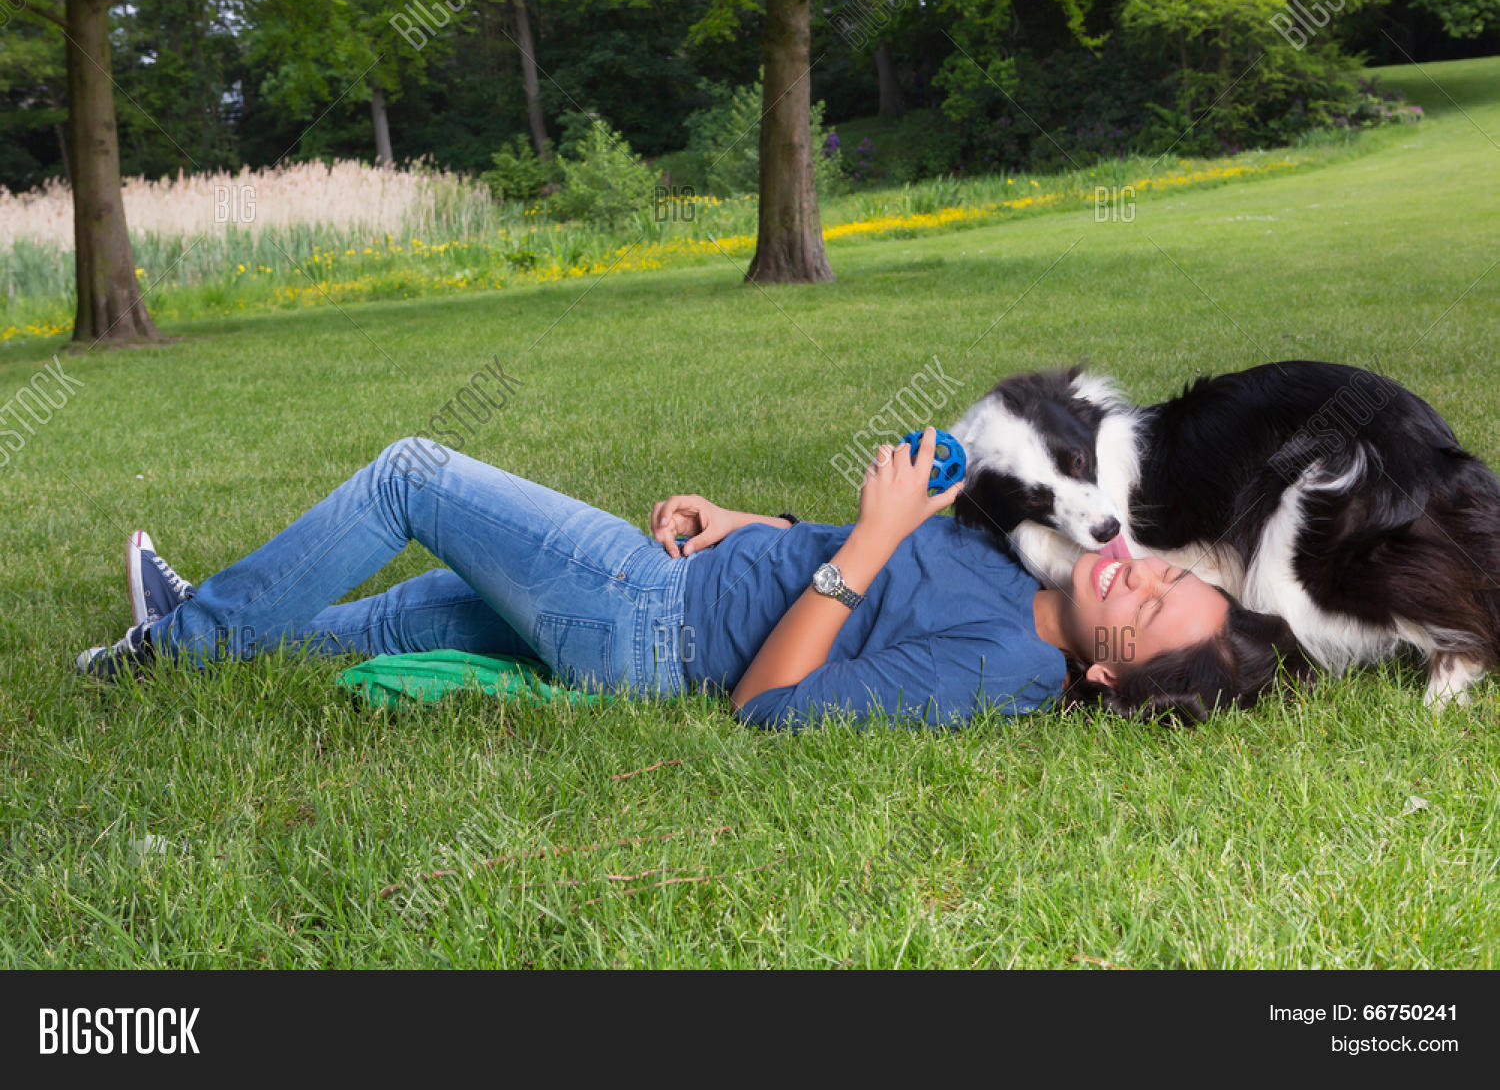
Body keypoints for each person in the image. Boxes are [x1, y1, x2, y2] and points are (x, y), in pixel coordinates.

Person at [76, 431, 1311, 727]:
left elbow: (769, 708)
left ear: (1106, 668)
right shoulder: (1023, 558)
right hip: (682, 579)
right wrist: (750, 516)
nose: (1137, 577)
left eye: (1148, 611)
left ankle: (177, 649)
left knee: (412, 475)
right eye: (1163, 575)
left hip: (646, 624)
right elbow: (837, 555)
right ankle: (207, 624)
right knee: (412, 605)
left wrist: (871, 538)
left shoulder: (1006, 668)